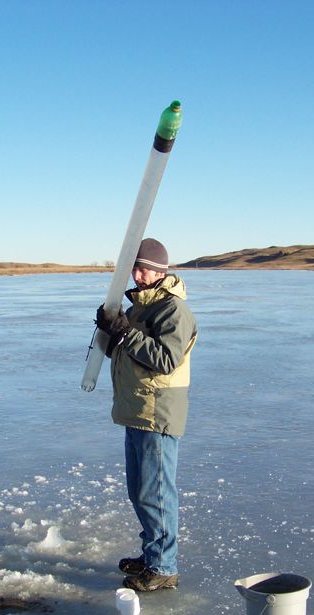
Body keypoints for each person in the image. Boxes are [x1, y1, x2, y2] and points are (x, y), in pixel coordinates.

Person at [95, 238, 197, 592]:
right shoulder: (140, 307)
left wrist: (125, 334)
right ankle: (153, 553)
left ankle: (163, 566)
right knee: (140, 491)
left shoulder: (173, 311)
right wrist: (112, 333)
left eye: (145, 269)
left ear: (161, 271)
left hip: (157, 412)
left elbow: (166, 359)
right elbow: (126, 355)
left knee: (156, 493)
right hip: (136, 410)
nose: (138, 276)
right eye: (134, 268)